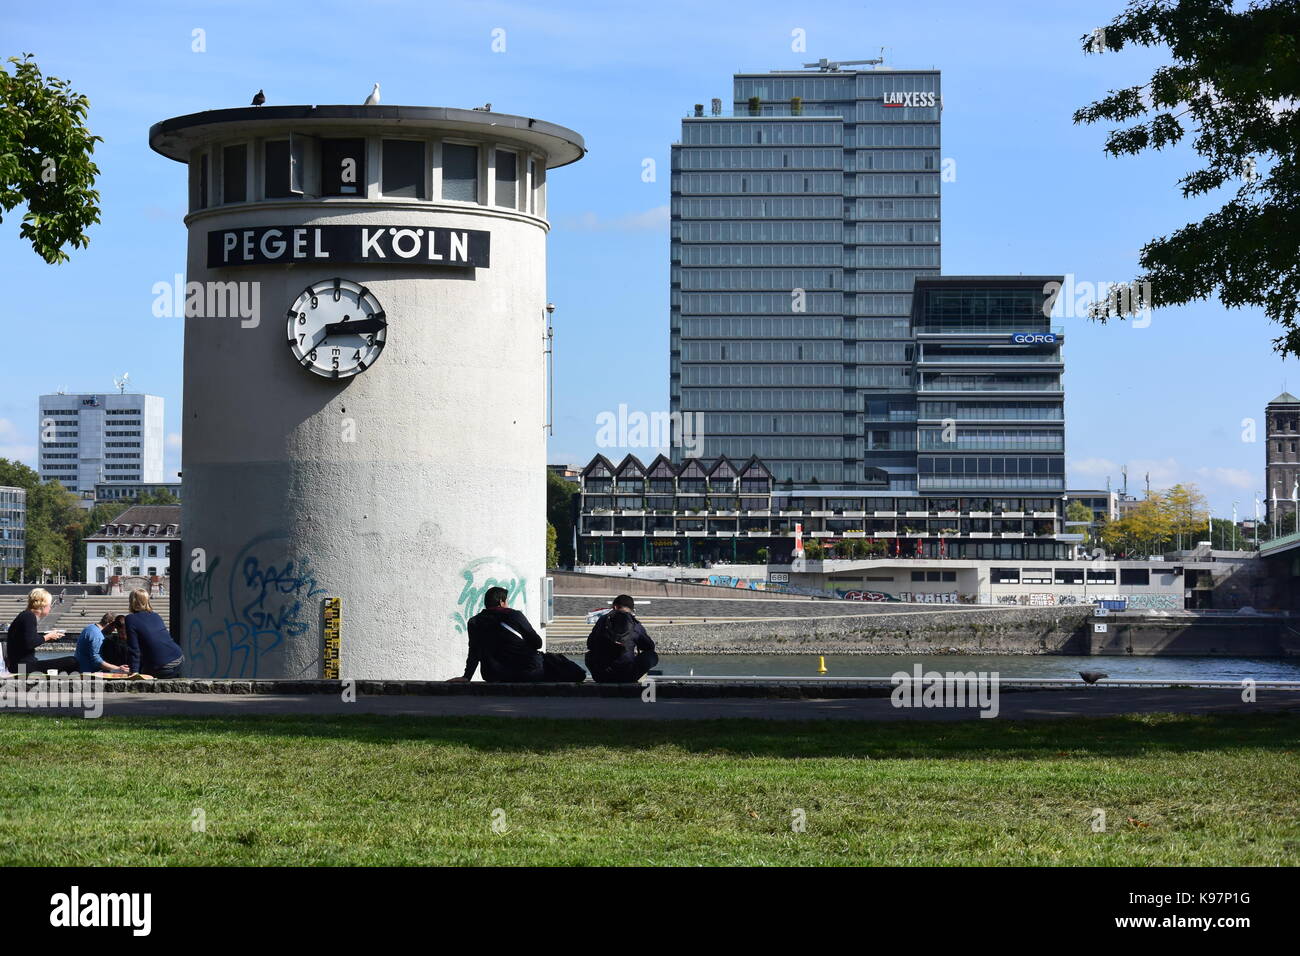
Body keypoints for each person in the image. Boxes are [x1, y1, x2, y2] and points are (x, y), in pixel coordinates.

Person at [447, 586, 546, 683]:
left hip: (492, 674)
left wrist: (467, 676)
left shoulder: (474, 622)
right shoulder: (514, 615)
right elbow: (537, 643)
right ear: (501, 602)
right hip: (527, 671)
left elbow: (474, 651)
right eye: (507, 601)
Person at [585, 594, 658, 683]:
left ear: (615, 607)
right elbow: (649, 646)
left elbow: (590, 644)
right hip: (627, 675)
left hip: (601, 675)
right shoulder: (635, 624)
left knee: (589, 654)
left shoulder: (602, 620)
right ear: (631, 609)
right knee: (652, 655)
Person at [5, 588, 77, 674]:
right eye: (49, 605)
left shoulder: (25, 615)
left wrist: (48, 637)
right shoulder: (29, 617)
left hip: (20, 665)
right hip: (22, 667)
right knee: (72, 661)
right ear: (42, 606)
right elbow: (30, 643)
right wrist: (48, 636)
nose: (50, 608)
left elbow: (26, 641)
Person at [123, 588, 184, 678]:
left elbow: (134, 648)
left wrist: (134, 671)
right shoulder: (156, 616)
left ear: (132, 601)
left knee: (144, 675)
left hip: (162, 666)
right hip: (178, 657)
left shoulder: (130, 619)